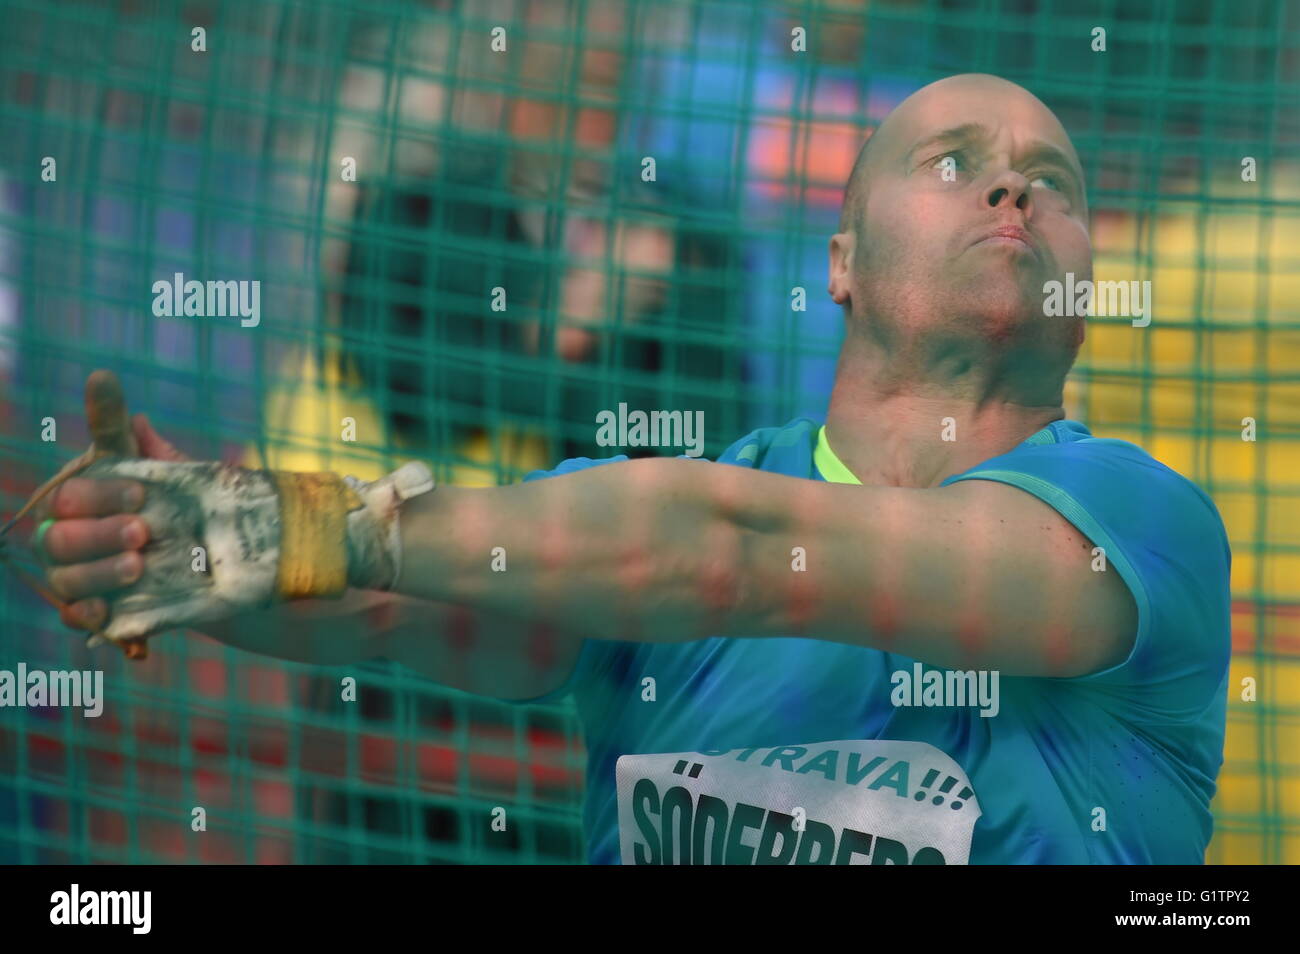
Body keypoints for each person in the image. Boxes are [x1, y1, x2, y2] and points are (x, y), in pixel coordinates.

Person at [28, 74, 1231, 864]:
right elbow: (395, 609)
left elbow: (740, 558)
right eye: (950, 160)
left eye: (1052, 179)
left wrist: (316, 523)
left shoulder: (1143, 524)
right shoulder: (631, 540)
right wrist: (183, 545)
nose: (1013, 184)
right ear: (843, 259)